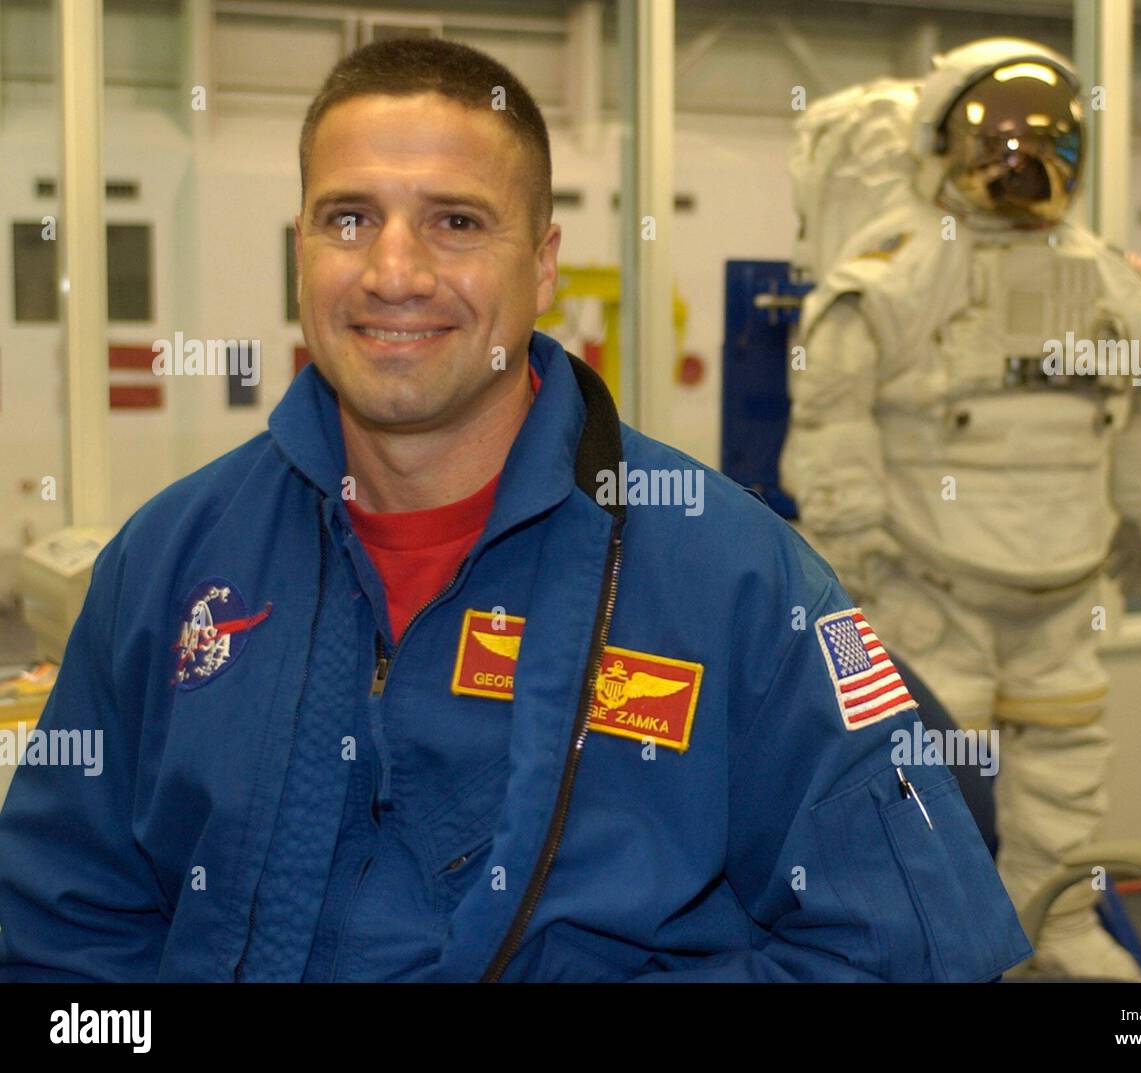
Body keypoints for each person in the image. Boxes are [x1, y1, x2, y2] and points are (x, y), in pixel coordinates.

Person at [0, 37, 1028, 983]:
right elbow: (60, 934)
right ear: (302, 250)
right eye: (348, 218)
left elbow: (903, 952)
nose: (394, 271)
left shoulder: (736, 584)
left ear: (541, 264)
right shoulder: (169, 562)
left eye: (455, 221)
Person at [780, 37, 1141, 979]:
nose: (1024, 158)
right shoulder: (892, 276)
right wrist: (851, 550)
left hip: (1063, 579)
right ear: (938, 144)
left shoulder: (1121, 288)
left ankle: (1059, 921)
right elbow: (832, 410)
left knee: (1064, 769)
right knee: (929, 782)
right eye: (998, 136)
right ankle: (954, 939)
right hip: (929, 588)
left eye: (1048, 137)